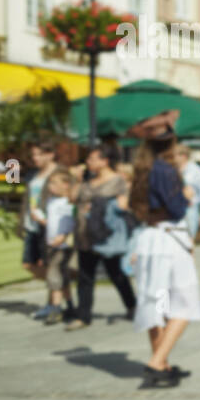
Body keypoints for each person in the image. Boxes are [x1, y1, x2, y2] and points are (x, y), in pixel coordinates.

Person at [127, 110, 200, 387]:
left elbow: (134, 207)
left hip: (149, 237)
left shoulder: (142, 169)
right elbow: (176, 208)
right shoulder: (166, 170)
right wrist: (186, 196)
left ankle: (162, 361)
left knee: (157, 303)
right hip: (169, 238)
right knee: (183, 302)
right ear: (171, 142)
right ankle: (157, 361)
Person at [68, 145, 136, 330]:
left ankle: (132, 306)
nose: (88, 162)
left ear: (104, 161)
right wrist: (76, 180)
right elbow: (72, 198)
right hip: (85, 234)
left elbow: (123, 205)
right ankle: (83, 316)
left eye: (92, 159)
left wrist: (99, 206)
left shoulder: (117, 181)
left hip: (106, 236)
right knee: (85, 276)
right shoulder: (87, 181)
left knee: (116, 274)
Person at [22, 141, 57, 319]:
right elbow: (27, 197)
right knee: (28, 264)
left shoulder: (58, 172)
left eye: (39, 154)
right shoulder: (33, 174)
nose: (35, 158)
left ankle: (53, 302)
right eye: (33, 155)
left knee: (51, 265)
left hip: (48, 224)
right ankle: (61, 286)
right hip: (32, 224)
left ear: (50, 154)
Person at [42, 168, 78, 325]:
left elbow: (68, 220)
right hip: (51, 242)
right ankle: (70, 306)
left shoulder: (68, 202)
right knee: (62, 275)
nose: (50, 186)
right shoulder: (51, 201)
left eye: (54, 183)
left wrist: (62, 235)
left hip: (62, 244)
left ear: (66, 184)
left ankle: (56, 308)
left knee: (54, 273)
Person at [175, 145, 200, 239]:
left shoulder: (196, 170)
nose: (173, 158)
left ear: (184, 156)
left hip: (190, 208)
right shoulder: (172, 169)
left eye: (175, 155)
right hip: (174, 208)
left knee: (189, 239)